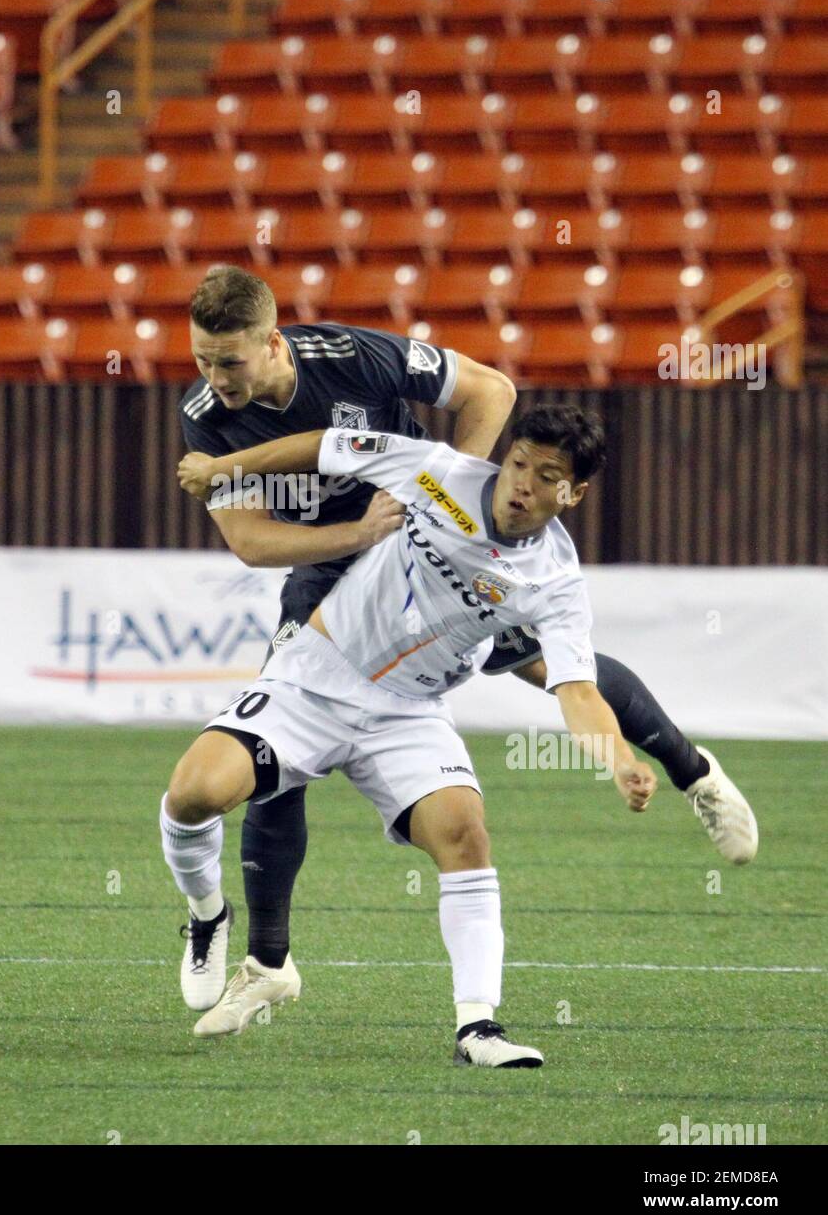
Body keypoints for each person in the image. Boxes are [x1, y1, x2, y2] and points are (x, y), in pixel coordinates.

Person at [176, 265, 758, 1032]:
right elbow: (251, 544)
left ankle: (695, 774)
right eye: (200, 360)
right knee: (272, 760)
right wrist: (360, 534)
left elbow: (491, 391)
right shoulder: (205, 414)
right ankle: (268, 964)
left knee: (553, 664)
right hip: (327, 568)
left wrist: (456, 512)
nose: (213, 378)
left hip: (439, 542)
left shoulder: (356, 357)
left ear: (271, 344)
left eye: (228, 362)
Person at [163, 406, 660, 1064]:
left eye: (546, 478)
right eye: (517, 465)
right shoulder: (435, 471)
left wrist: (617, 759)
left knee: (465, 835)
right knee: (195, 793)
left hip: (408, 715)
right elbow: (327, 443)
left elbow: (575, 687)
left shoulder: (556, 583)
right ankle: (206, 915)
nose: (521, 486)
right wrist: (224, 468)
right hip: (314, 676)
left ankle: (478, 1029)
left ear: (574, 493)